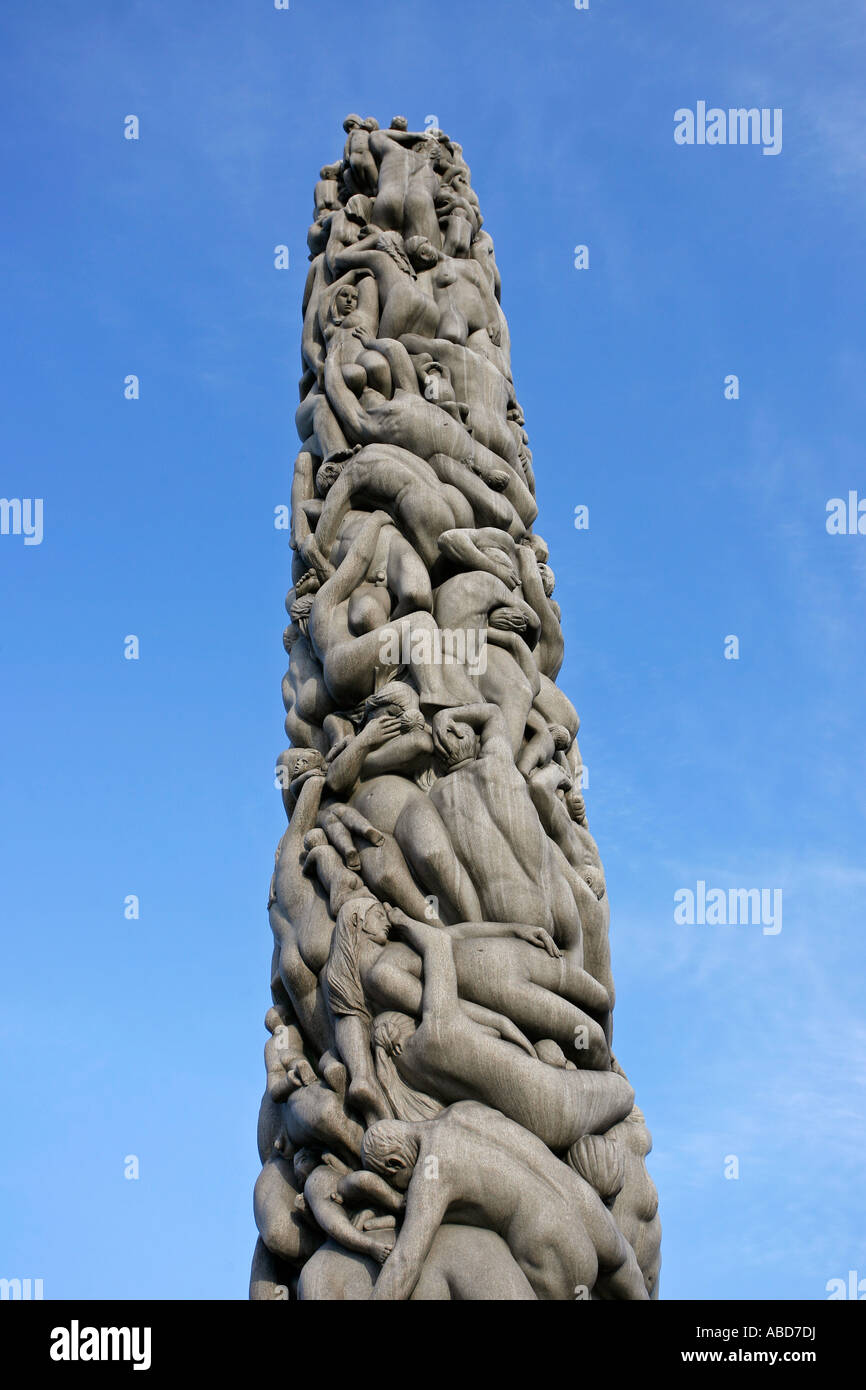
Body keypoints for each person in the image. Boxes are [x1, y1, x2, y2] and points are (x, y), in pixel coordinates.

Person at [369, 913, 632, 1149]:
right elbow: (437, 948)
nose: (382, 916)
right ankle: (601, 1081)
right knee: (592, 1036)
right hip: (499, 986)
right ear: (359, 923)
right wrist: (404, 920)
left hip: (511, 960)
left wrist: (514, 929)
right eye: (374, 914)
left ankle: (600, 1073)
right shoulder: (388, 975)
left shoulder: (431, 1034)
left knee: (600, 1003)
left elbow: (454, 935)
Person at [362, 1102, 649, 1301]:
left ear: (394, 1163)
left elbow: (406, 1261)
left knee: (446, 1248)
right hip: (586, 1215)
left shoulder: (433, 1168)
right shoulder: (465, 1111)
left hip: (554, 1262)